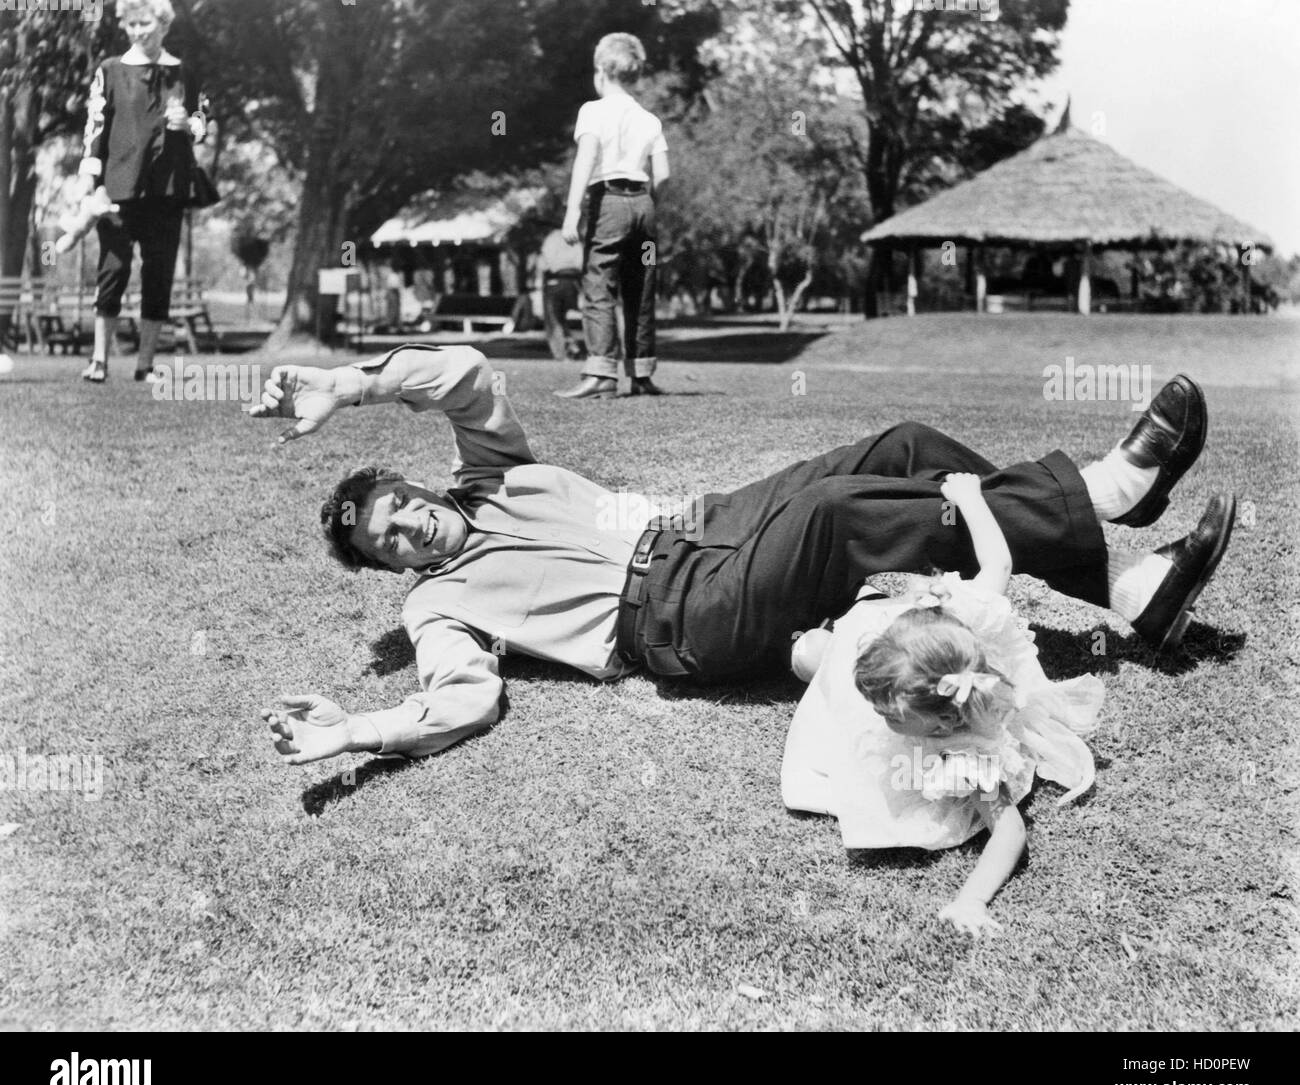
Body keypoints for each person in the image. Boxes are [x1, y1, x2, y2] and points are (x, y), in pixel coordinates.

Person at [246, 347, 1233, 768]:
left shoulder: (493, 476)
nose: (409, 526)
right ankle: (1108, 496)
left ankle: (1125, 595)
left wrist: (350, 382)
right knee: (839, 515)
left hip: (695, 528)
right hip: (674, 622)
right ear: (393, 568)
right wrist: (357, 731)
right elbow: (463, 700)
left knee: (904, 446)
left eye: (400, 505)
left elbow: (463, 377)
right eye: (389, 540)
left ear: (417, 489)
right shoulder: (440, 608)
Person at [783, 472, 1127, 937]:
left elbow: (1010, 833)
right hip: (886, 644)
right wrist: (968, 497)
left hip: (932, 707)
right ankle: (818, 645)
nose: (877, 715)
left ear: (942, 720)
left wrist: (971, 901)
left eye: (889, 715)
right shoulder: (949, 623)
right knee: (820, 652)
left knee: (804, 656)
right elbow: (998, 563)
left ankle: (809, 648)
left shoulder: (968, 752)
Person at [76, 0, 207, 385]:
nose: (137, 31)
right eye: (131, 24)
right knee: (113, 269)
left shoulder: (186, 72)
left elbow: (204, 119)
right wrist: (88, 176)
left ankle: (145, 366)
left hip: (168, 188)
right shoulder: (110, 70)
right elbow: (95, 125)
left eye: (145, 23)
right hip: (118, 187)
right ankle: (99, 360)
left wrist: (191, 124)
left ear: (163, 24)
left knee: (159, 273)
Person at [555, 33, 669, 400]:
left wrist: (572, 211)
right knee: (641, 286)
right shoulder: (649, 118)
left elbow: (586, 160)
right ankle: (641, 372)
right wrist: (648, 205)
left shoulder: (593, 111)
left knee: (599, 282)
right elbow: (663, 174)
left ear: (601, 71)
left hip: (608, 201)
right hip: (644, 203)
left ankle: (602, 372)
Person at [535, 222, 585, 361]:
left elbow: (543, 263)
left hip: (554, 280)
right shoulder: (575, 237)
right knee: (567, 317)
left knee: (554, 319)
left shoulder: (551, 238)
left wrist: (539, 285)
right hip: (574, 281)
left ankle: (561, 353)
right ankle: (571, 344)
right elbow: (582, 260)